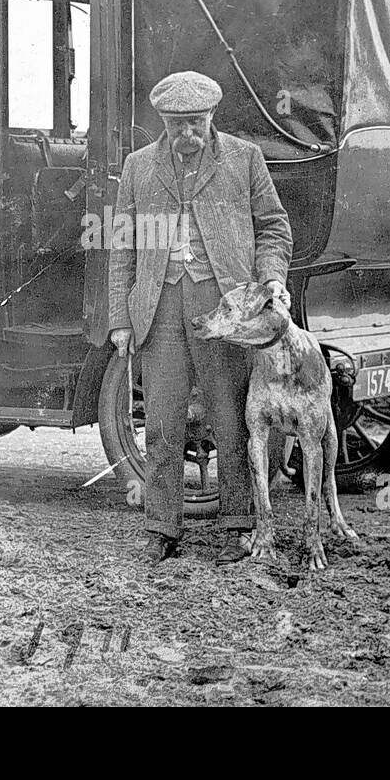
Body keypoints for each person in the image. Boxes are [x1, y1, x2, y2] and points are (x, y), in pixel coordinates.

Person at [108, 70, 293, 565]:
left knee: (232, 421)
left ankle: (238, 523)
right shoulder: (138, 167)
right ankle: (161, 528)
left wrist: (272, 277)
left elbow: (274, 227)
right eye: (175, 125)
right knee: (163, 427)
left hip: (225, 311)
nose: (186, 135)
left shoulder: (244, 158)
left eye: (195, 123)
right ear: (162, 121)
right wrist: (121, 319)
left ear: (212, 117)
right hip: (160, 309)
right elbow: (121, 246)